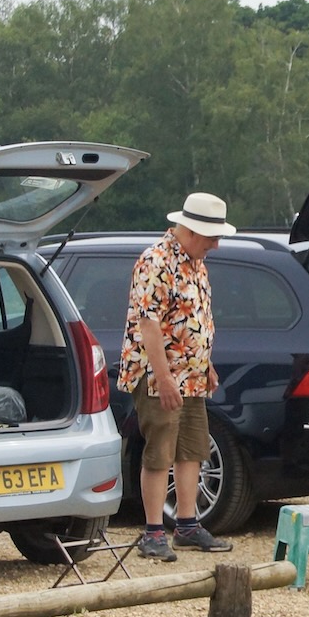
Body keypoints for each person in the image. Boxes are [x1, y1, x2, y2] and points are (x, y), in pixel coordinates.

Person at [120, 192, 239, 561]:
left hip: (192, 374)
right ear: (189, 230)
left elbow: (196, 320)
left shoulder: (196, 262)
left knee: (191, 447)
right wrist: (165, 377)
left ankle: (187, 523)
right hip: (159, 375)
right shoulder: (156, 260)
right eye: (211, 236)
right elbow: (149, 324)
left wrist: (207, 364)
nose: (216, 244)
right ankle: (153, 531)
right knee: (160, 450)